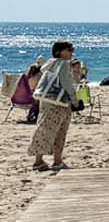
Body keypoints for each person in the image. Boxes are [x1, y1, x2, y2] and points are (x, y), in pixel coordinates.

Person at [30, 41, 80, 172]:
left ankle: (38, 160)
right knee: (60, 132)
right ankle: (57, 161)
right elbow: (67, 84)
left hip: (46, 100)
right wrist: (75, 100)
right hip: (59, 103)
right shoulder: (63, 64)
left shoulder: (50, 63)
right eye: (69, 49)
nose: (71, 52)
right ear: (59, 51)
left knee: (45, 129)